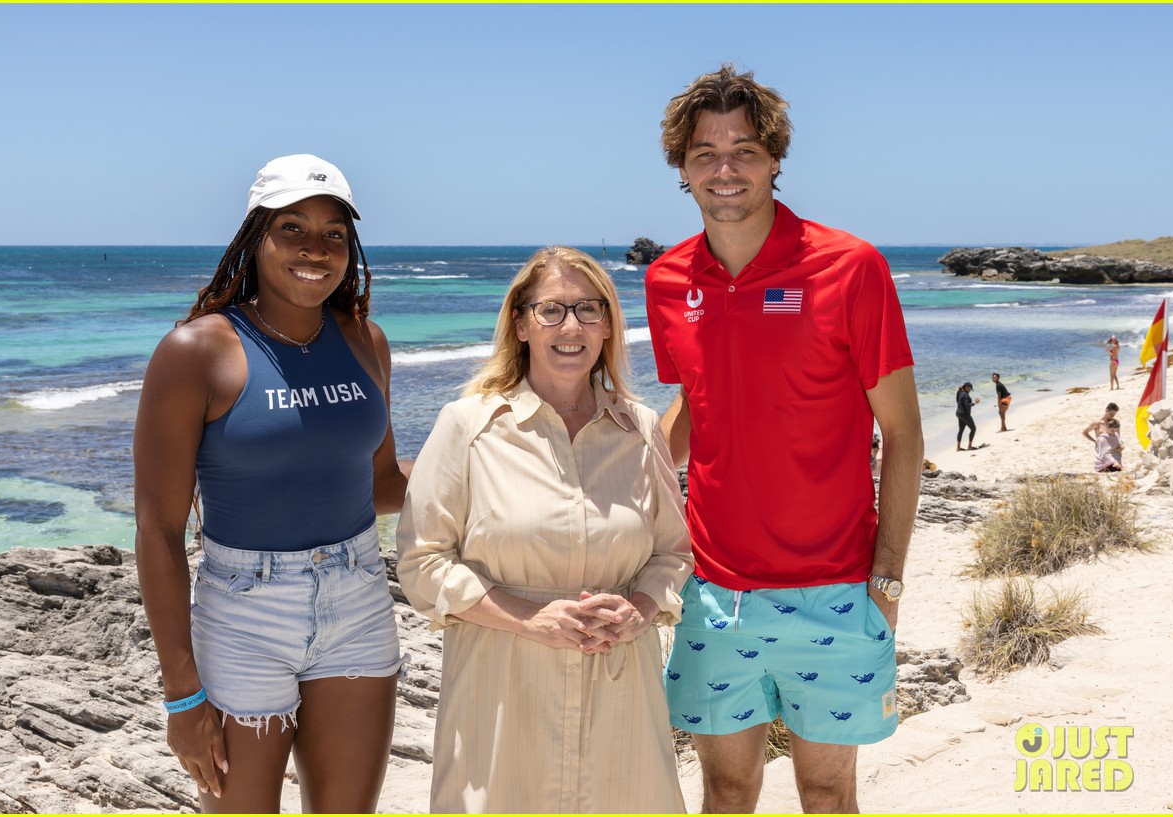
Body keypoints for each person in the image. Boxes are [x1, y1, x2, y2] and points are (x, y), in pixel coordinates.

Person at [644, 64, 923, 814]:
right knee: (726, 789)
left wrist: (888, 579)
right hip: (716, 592)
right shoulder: (667, 279)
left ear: (774, 160)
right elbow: (695, 405)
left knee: (826, 791)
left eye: (744, 150)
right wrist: (603, 479)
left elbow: (902, 432)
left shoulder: (850, 267)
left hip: (836, 586)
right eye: (705, 153)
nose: (724, 169)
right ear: (682, 169)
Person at [134, 155, 408, 813]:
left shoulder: (365, 340)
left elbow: (380, 484)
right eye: (292, 228)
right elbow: (158, 530)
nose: (316, 249)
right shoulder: (196, 350)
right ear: (256, 236)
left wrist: (487, 470)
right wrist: (182, 696)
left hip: (359, 600)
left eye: (334, 233)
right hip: (243, 614)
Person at [396, 246, 693, 813]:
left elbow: (673, 552)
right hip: (502, 691)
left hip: (621, 691)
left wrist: (641, 607)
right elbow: (421, 561)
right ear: (521, 323)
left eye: (588, 309)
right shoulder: (468, 425)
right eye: (551, 310)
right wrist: (529, 618)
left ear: (608, 325)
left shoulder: (640, 428)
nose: (571, 326)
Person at [955, 382, 980, 450]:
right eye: (970, 388)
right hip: (964, 414)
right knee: (973, 429)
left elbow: (957, 400)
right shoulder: (966, 395)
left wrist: (958, 390)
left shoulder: (960, 392)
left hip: (958, 413)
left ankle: (958, 447)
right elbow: (967, 405)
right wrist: (975, 403)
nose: (970, 390)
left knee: (961, 430)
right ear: (966, 387)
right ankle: (969, 446)